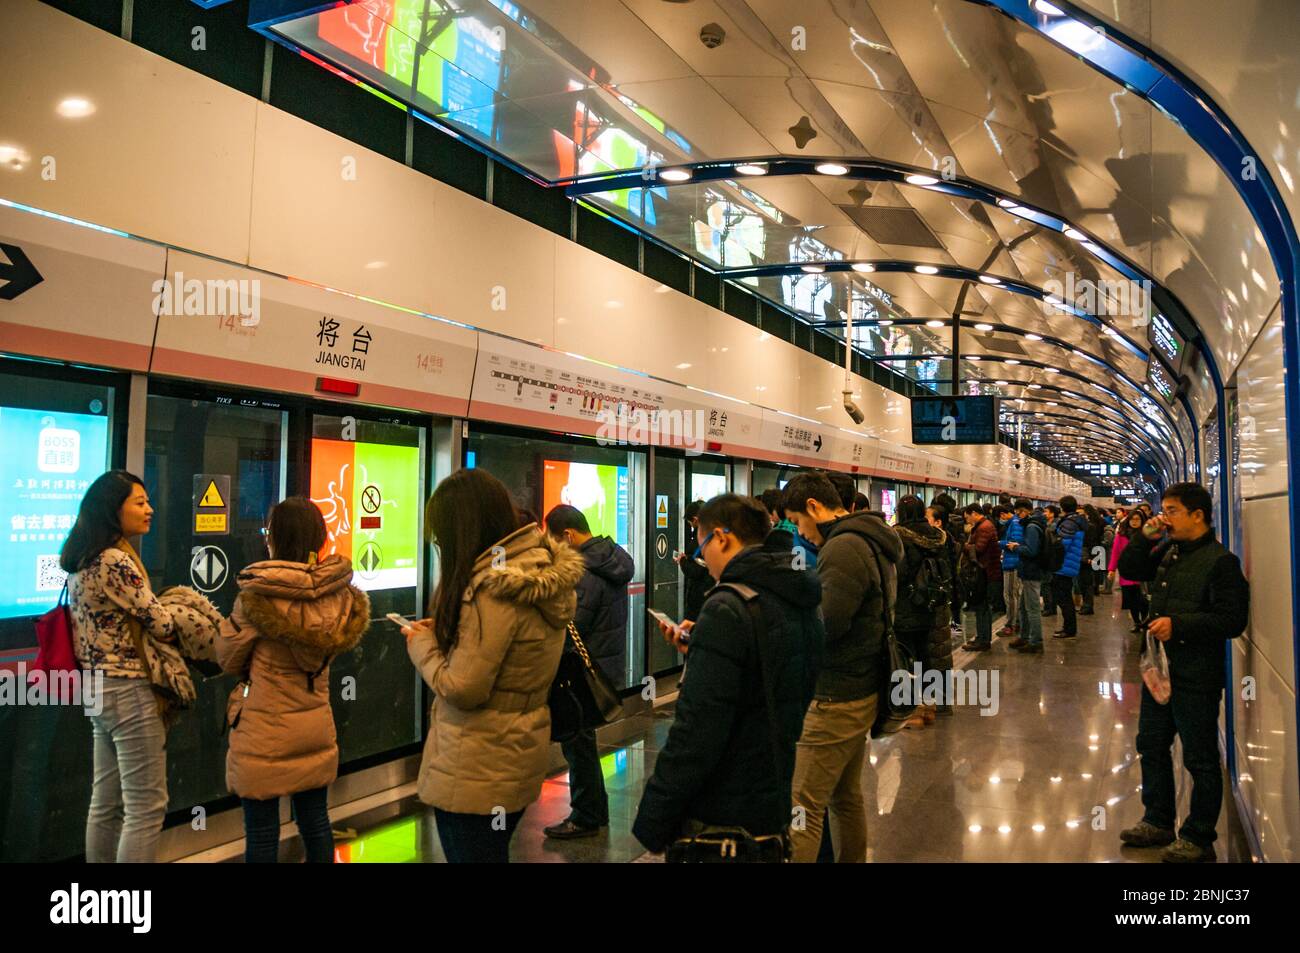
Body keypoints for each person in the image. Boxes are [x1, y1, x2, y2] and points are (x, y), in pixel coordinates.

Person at [402, 468, 584, 863]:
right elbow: (511, 654)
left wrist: (422, 646)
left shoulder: (492, 591)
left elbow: (465, 688)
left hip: (476, 766)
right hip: (516, 753)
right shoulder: (534, 576)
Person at [633, 495, 823, 861]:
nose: (706, 560)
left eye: (704, 547)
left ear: (722, 538)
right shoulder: (799, 593)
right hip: (773, 789)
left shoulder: (727, 607)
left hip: (725, 805)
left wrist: (654, 818)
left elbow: (697, 730)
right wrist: (702, 648)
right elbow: (775, 667)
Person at [216, 497, 369, 863]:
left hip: (263, 731)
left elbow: (228, 656)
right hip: (314, 726)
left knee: (263, 833)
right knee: (316, 822)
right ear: (320, 538)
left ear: (275, 540)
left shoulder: (258, 595)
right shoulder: (339, 596)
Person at [1117, 483, 1249, 863]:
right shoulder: (1169, 551)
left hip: (1196, 676)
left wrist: (1179, 624)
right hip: (1158, 674)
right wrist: (1143, 537)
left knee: (1200, 757)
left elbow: (1231, 620)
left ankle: (1198, 835)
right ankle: (1157, 820)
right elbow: (1130, 568)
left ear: (1198, 515)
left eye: (1172, 510)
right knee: (1151, 745)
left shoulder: (1222, 563)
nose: (1165, 517)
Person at [782, 473, 902, 862]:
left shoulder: (844, 546)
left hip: (835, 695)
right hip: (861, 686)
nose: (802, 533)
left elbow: (827, 625)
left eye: (799, 521)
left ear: (814, 508)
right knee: (844, 797)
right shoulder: (870, 537)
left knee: (802, 805)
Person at [63, 471, 175, 863]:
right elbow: (161, 622)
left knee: (105, 801)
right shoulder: (115, 560)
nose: (150, 509)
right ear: (114, 509)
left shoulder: (83, 558)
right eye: (139, 502)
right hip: (127, 688)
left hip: (96, 686)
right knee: (146, 806)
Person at [542, 504, 634, 839]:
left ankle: (586, 815)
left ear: (567, 535)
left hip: (580, 672)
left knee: (577, 743)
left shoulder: (583, 570)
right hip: (603, 664)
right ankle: (595, 810)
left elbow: (571, 621)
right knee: (583, 741)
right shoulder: (611, 557)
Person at [893, 496, 948, 727]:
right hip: (930, 604)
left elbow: (900, 574)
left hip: (906, 605)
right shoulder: (938, 536)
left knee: (905, 657)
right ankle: (930, 705)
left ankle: (911, 712)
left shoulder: (900, 537)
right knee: (925, 656)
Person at [925, 505, 957, 712]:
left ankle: (931, 703)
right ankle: (943, 702)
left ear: (938, 522)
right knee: (941, 654)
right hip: (941, 605)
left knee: (933, 654)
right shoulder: (949, 542)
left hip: (933, 604)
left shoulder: (932, 544)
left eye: (926, 517)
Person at [1006, 499, 1046, 654]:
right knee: (1023, 607)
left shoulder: (1031, 527)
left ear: (1026, 511)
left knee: (1033, 608)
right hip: (1028, 571)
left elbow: (1031, 550)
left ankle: (1036, 641)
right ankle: (1024, 637)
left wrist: (1016, 547)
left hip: (1032, 571)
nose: (1018, 516)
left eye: (1019, 512)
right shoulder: (1034, 524)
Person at [959, 504, 1000, 651]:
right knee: (980, 607)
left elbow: (978, 549)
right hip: (985, 571)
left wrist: (964, 545)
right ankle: (981, 637)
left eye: (967, 517)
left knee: (982, 608)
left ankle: (983, 640)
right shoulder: (984, 525)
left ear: (974, 513)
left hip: (986, 573)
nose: (967, 521)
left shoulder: (984, 527)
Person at [1050, 497, 1088, 639]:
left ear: (1062, 507)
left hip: (1064, 564)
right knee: (1065, 597)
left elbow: (1062, 545)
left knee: (1063, 598)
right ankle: (1068, 627)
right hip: (1069, 563)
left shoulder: (1069, 522)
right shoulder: (1077, 520)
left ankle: (1069, 629)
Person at [1109, 510, 1150, 632]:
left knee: (1143, 600)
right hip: (1126, 572)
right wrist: (1111, 569)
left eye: (1137, 519)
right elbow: (1115, 553)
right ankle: (1137, 622)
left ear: (1142, 521)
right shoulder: (1121, 535)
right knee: (1131, 601)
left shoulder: (1147, 534)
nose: (1134, 522)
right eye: (1132, 519)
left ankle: (1144, 621)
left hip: (1143, 571)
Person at [677, 501, 714, 623]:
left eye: (690, 523)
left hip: (699, 597)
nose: (691, 527)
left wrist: (682, 561)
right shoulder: (713, 535)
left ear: (695, 520)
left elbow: (696, 570)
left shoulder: (702, 539)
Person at [997, 504, 1022, 638]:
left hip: (1012, 563)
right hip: (1012, 562)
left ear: (1003, 514)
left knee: (1010, 595)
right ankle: (1015, 622)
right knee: (1013, 594)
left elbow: (1014, 544)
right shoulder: (1014, 523)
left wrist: (999, 543)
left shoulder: (1015, 523)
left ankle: (1011, 624)